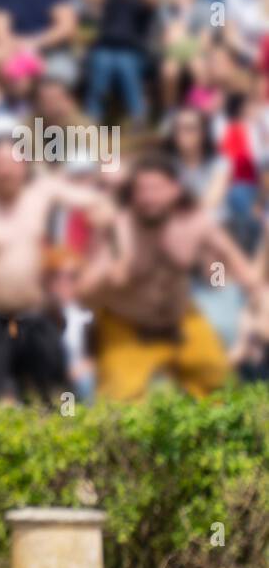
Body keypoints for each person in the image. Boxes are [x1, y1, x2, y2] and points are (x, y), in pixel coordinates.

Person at [0, 136, 118, 403]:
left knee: (59, 402)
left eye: (13, 162)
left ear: (25, 166)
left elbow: (96, 202)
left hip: (34, 316)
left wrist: (103, 218)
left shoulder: (42, 194)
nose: (6, 170)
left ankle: (64, 435)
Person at [81, 156, 260, 401]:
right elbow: (83, 291)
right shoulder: (118, 228)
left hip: (182, 320)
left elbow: (240, 267)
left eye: (155, 189)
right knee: (119, 410)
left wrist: (257, 302)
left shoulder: (196, 223)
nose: (147, 197)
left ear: (175, 189)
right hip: (127, 326)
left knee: (223, 392)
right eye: (141, 190)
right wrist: (109, 273)